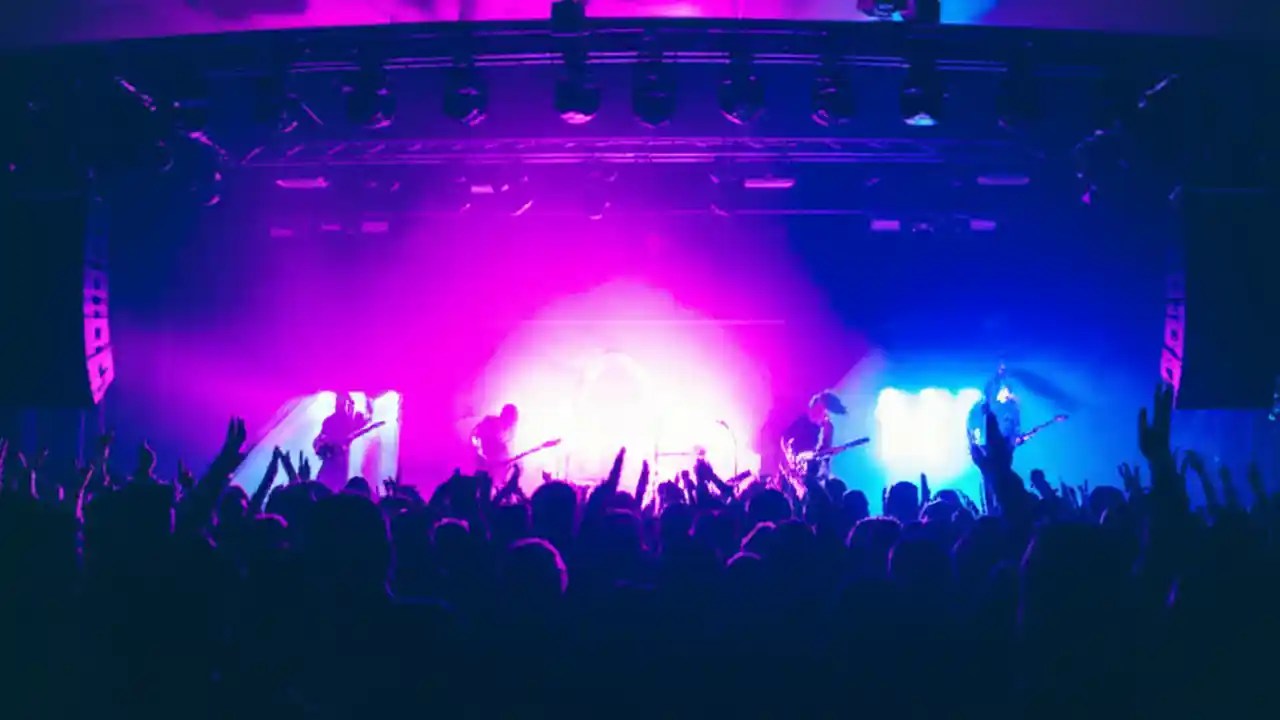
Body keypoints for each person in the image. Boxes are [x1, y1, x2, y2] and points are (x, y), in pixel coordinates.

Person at [779, 391, 847, 480]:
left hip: (811, 472)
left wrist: (830, 452)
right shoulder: (800, 419)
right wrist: (790, 458)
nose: (822, 414)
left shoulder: (827, 427)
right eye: (819, 409)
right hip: (792, 468)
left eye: (824, 411)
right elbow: (785, 438)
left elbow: (823, 451)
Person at [313, 392, 370, 492]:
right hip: (333, 458)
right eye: (338, 402)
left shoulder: (346, 421)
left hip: (338, 459)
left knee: (336, 482)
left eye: (342, 403)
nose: (339, 405)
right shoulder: (331, 421)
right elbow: (319, 440)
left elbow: (362, 424)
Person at [471, 403, 519, 478]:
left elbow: (507, 449)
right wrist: (478, 452)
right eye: (511, 418)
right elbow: (475, 435)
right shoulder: (489, 422)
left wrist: (508, 462)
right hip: (482, 463)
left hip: (496, 468)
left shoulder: (511, 432)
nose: (512, 423)